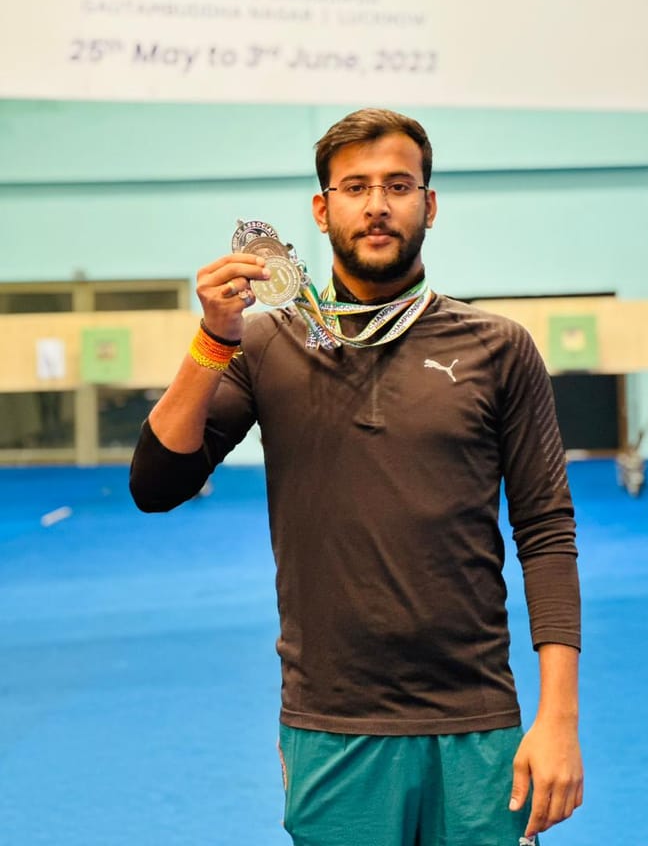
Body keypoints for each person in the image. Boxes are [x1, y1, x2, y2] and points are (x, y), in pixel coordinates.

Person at [130, 108, 583, 846]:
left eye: (399, 185)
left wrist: (558, 718)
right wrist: (213, 338)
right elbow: (157, 483)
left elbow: (546, 533)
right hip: (331, 722)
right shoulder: (267, 345)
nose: (377, 204)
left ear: (429, 205)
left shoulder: (498, 348)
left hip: (476, 719)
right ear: (323, 208)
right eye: (355, 186)